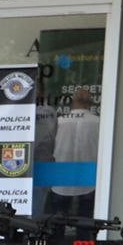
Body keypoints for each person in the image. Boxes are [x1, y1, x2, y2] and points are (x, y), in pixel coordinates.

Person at [49, 88, 98, 219]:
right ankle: (83, 239)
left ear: (73, 102)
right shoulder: (99, 123)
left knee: (57, 224)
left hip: (61, 178)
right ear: (91, 103)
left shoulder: (59, 122)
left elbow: (48, 150)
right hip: (88, 178)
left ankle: (58, 240)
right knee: (85, 223)